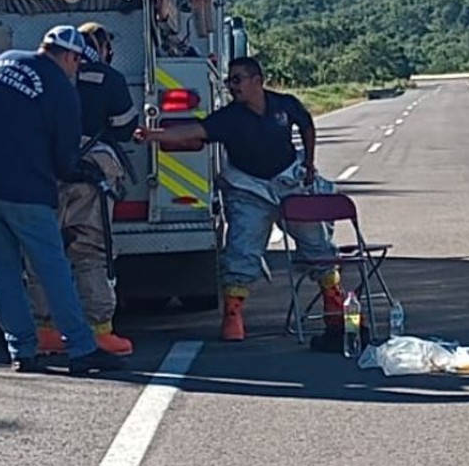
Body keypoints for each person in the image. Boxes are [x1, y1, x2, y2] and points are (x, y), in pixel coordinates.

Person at [0, 25, 124, 375]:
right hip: (22, 189)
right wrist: (87, 174)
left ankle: (21, 351)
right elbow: (65, 160)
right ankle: (80, 348)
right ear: (71, 57)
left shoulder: (5, 61)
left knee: (2, 271)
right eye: (77, 62)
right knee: (52, 267)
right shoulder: (62, 90)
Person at [134, 56, 344, 350]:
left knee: (318, 243)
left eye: (237, 79)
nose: (231, 86)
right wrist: (153, 134)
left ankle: (335, 308)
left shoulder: (284, 104)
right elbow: (193, 131)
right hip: (248, 189)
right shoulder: (229, 117)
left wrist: (309, 162)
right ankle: (233, 316)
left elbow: (306, 124)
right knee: (241, 250)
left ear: (257, 80)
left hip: (289, 182)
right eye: (229, 80)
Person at [26, 22, 140, 357]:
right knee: (91, 252)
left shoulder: (40, 76)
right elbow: (123, 129)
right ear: (103, 47)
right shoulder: (108, 78)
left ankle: (45, 332)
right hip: (90, 172)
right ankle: (100, 331)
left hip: (44, 169)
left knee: (42, 252)